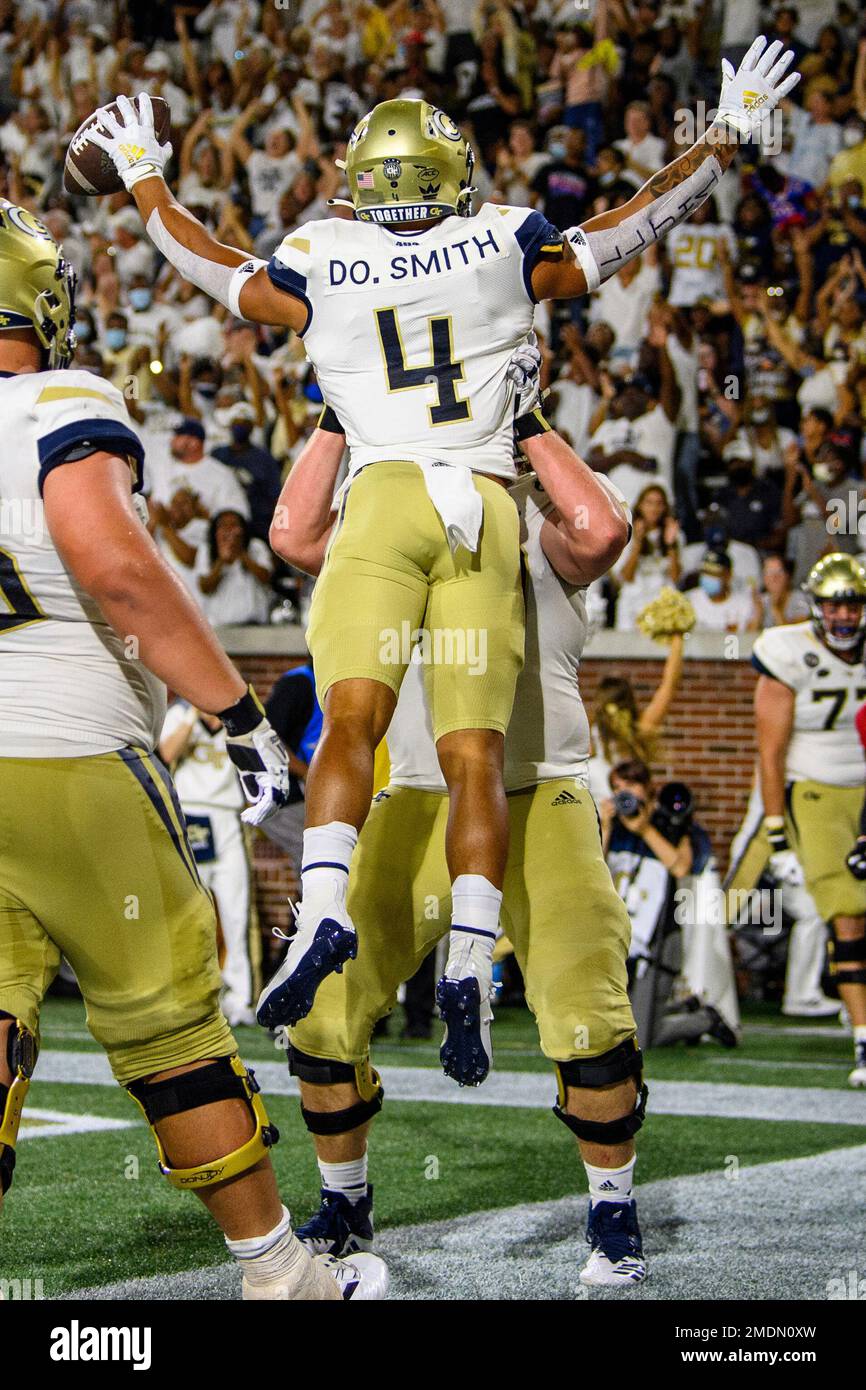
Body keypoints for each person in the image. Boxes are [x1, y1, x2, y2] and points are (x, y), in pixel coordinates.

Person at [89, 39, 800, 1052]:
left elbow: (211, 267)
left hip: (379, 495)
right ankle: (469, 949)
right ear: (450, 174)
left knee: (351, 722)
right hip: (480, 498)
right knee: (474, 752)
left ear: (361, 180)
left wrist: (144, 177)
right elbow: (628, 227)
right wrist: (723, 132)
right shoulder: (504, 239)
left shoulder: (323, 254)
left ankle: (325, 906)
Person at [0, 204, 384, 1300]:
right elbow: (114, 564)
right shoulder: (59, 398)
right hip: (73, 759)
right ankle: (278, 1270)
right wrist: (235, 715)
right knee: (170, 1022)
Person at [273, 401, 648, 1288]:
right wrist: (346, 414)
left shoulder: (531, 533)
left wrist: (524, 423)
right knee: (323, 1016)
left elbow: (599, 529)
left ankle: (613, 1209)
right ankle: (345, 1200)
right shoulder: (385, 531)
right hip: (416, 797)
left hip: (538, 793)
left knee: (587, 1015)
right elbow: (295, 536)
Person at [752, 554, 866, 1086]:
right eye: (834, 605)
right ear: (816, 608)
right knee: (847, 912)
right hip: (817, 789)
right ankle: (863, 1038)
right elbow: (770, 753)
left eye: (853, 605)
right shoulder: (788, 651)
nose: (844, 616)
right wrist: (777, 834)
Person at [159, 702, 260, 1028]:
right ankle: (186, 993)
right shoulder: (178, 714)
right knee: (187, 912)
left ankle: (239, 997)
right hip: (189, 817)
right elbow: (167, 752)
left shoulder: (237, 719)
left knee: (235, 913)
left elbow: (254, 763)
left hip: (227, 819)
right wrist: (193, 714)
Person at [588, 633, 684, 805]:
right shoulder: (639, 728)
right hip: (616, 810)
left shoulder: (589, 727)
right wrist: (678, 637)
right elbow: (669, 685)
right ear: (630, 700)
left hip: (604, 809)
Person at [613, 483, 681, 632]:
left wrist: (671, 544)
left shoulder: (675, 534)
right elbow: (626, 577)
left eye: (659, 504)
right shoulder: (626, 532)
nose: (654, 509)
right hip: (632, 603)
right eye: (649, 503)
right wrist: (637, 542)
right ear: (640, 505)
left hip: (662, 605)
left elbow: (675, 577)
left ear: (665, 508)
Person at [196, 508, 274, 626]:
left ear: (243, 529)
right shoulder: (206, 550)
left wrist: (241, 553)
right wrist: (221, 561)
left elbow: (266, 578)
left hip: (255, 625)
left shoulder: (256, 547)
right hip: (220, 626)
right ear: (215, 531)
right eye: (223, 526)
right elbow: (204, 587)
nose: (229, 531)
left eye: (233, 525)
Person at [688, 549, 760, 632]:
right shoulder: (690, 600)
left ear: (728, 575)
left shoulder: (744, 605)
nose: (708, 577)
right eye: (705, 572)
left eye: (714, 573)